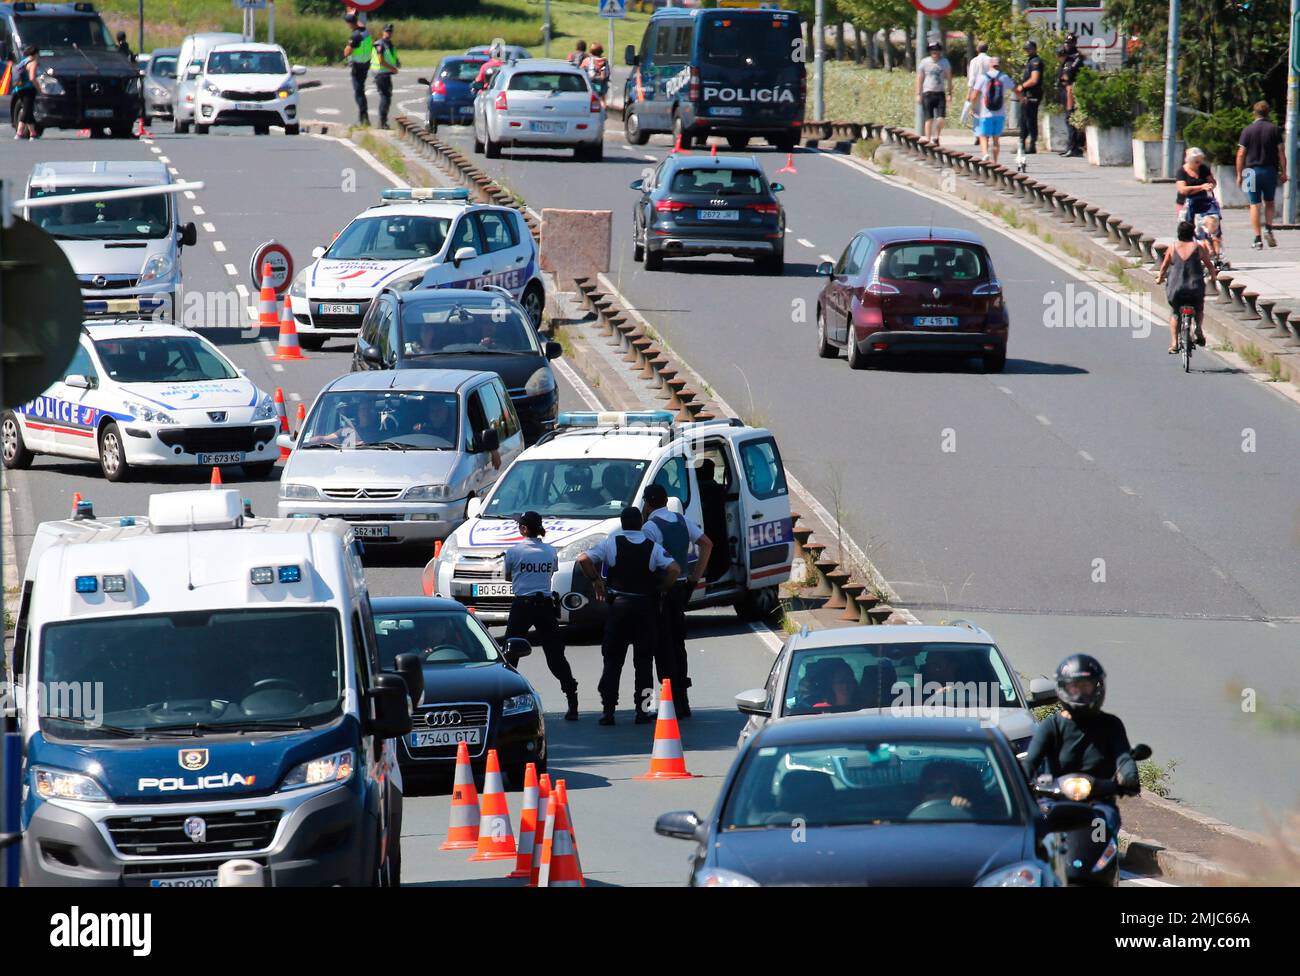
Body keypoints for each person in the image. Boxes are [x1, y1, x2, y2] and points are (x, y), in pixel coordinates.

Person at [577, 506, 680, 726]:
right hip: (645, 608)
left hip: (619, 609)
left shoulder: (611, 543)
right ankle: (642, 711)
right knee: (643, 662)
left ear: (622, 524)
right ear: (641, 523)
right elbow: (674, 569)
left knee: (612, 660)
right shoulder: (653, 547)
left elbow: (584, 559)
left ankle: (608, 710)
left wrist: (597, 581)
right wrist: (662, 588)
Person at [1020, 654, 1141, 838]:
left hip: (1098, 803)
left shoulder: (1111, 725)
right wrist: (1018, 781)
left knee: (1105, 829)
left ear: (1097, 688)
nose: (1079, 693)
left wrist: (1129, 775)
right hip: (1054, 801)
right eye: (1074, 687)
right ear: (1063, 688)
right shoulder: (1051, 726)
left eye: (1086, 686)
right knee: (1036, 832)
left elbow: (1123, 757)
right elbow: (1031, 761)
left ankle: (1106, 866)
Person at [641, 483, 712, 718]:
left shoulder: (650, 526)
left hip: (662, 590)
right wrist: (694, 577)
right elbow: (707, 543)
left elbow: (650, 560)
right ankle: (683, 700)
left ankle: (668, 701)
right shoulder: (681, 521)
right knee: (679, 645)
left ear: (648, 503)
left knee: (662, 647)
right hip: (682, 587)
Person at [503, 511, 579, 721]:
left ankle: (506, 700)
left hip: (522, 605)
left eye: (519, 525)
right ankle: (572, 698)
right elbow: (551, 572)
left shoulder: (514, 551)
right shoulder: (549, 551)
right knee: (555, 656)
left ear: (524, 529)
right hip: (545, 605)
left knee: (510, 654)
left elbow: (509, 576)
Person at [1155, 220, 1217, 353]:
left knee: (1175, 313)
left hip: (1176, 289)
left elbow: (1164, 266)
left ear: (1179, 233)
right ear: (1192, 233)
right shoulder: (1198, 247)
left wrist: (1160, 278)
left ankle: (1174, 343)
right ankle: (1198, 328)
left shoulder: (1172, 247)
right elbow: (1209, 265)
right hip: (1195, 288)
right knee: (1199, 308)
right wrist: (1213, 277)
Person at [1236, 101, 1288, 250]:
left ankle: (1257, 239)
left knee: (1254, 204)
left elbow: (1240, 154)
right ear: (1268, 113)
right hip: (1269, 170)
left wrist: (1239, 174)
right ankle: (1269, 228)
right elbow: (1281, 152)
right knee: (1269, 202)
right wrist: (1284, 172)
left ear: (1254, 113)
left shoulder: (1247, 130)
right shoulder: (1274, 130)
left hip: (1250, 171)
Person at [1175, 147, 1225, 270]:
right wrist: (1201, 187)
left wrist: (1210, 185)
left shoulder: (1203, 169)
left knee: (1211, 228)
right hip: (1186, 205)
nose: (1199, 164)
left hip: (1204, 203)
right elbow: (1182, 189)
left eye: (1200, 161)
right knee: (1190, 231)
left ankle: (1215, 257)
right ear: (1189, 161)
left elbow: (1212, 182)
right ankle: (1190, 256)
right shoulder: (1182, 171)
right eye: (1196, 162)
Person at [965, 55, 1016, 164]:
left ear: (989, 65)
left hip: (985, 114)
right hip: (1000, 113)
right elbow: (1015, 89)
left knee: (983, 136)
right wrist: (1022, 99)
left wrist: (972, 108)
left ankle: (985, 154)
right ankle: (995, 162)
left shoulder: (983, 78)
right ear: (999, 65)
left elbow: (974, 96)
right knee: (996, 139)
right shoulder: (1004, 77)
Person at [914, 41, 952, 144]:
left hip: (940, 93)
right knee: (928, 118)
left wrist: (949, 93)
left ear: (940, 51)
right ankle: (928, 138)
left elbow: (949, 78)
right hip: (928, 93)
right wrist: (918, 93)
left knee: (941, 118)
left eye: (937, 50)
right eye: (933, 50)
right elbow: (919, 78)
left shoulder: (944, 62)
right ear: (930, 52)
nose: (935, 52)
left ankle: (936, 136)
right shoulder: (924, 62)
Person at [1057, 33, 1086, 158]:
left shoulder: (1076, 57)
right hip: (1064, 90)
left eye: (1070, 43)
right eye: (1066, 43)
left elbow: (1069, 76)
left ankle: (1074, 147)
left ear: (1074, 43)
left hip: (1071, 91)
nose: (1067, 45)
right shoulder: (1067, 58)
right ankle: (1070, 146)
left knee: (1071, 119)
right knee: (1068, 119)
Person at [1014, 40, 1044, 154]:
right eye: (1026, 49)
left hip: (1032, 93)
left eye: (1029, 49)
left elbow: (1034, 79)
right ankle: (1022, 143)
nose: (1027, 51)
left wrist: (1022, 86)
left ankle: (1032, 144)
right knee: (1024, 119)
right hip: (1028, 94)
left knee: (1030, 119)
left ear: (1035, 49)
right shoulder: (1030, 61)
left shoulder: (1036, 62)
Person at [343, 12, 373, 126]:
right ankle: (364, 118)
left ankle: (363, 119)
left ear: (350, 23)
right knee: (361, 91)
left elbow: (347, 52)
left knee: (358, 93)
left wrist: (347, 45)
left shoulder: (355, 35)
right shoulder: (365, 32)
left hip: (358, 67)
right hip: (365, 64)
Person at [370, 23, 401, 129]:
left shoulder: (389, 44)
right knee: (385, 98)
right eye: (386, 31)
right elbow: (380, 60)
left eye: (390, 31)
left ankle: (383, 121)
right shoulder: (380, 44)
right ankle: (382, 122)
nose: (388, 33)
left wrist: (396, 62)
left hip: (386, 74)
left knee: (387, 97)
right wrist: (392, 68)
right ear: (383, 32)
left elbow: (391, 57)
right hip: (381, 74)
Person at [965, 41, 991, 147]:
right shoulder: (991, 60)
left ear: (977, 49)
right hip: (988, 90)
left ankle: (977, 136)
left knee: (976, 113)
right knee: (987, 112)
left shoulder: (974, 61)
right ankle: (986, 135)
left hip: (976, 89)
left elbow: (972, 78)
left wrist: (969, 92)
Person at [11, 46, 39, 141]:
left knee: (28, 110)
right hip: (28, 89)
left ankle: (33, 133)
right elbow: (32, 78)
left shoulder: (24, 61)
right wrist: (39, 88)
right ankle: (19, 133)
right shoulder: (33, 62)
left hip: (19, 88)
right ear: (35, 54)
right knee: (27, 110)